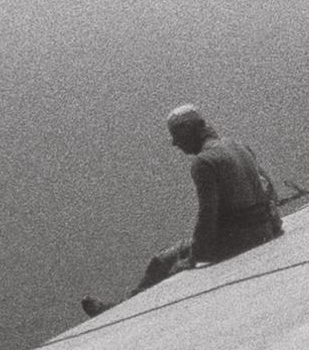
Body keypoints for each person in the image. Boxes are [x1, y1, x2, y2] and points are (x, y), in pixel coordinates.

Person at [82, 104, 297, 315]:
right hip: (264, 230)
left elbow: (207, 215)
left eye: (176, 135)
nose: (175, 143)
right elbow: (268, 188)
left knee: (162, 261)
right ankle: (123, 304)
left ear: (189, 129)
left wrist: (195, 258)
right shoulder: (238, 145)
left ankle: (120, 309)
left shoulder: (204, 162)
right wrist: (274, 225)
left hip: (240, 239)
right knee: (172, 255)